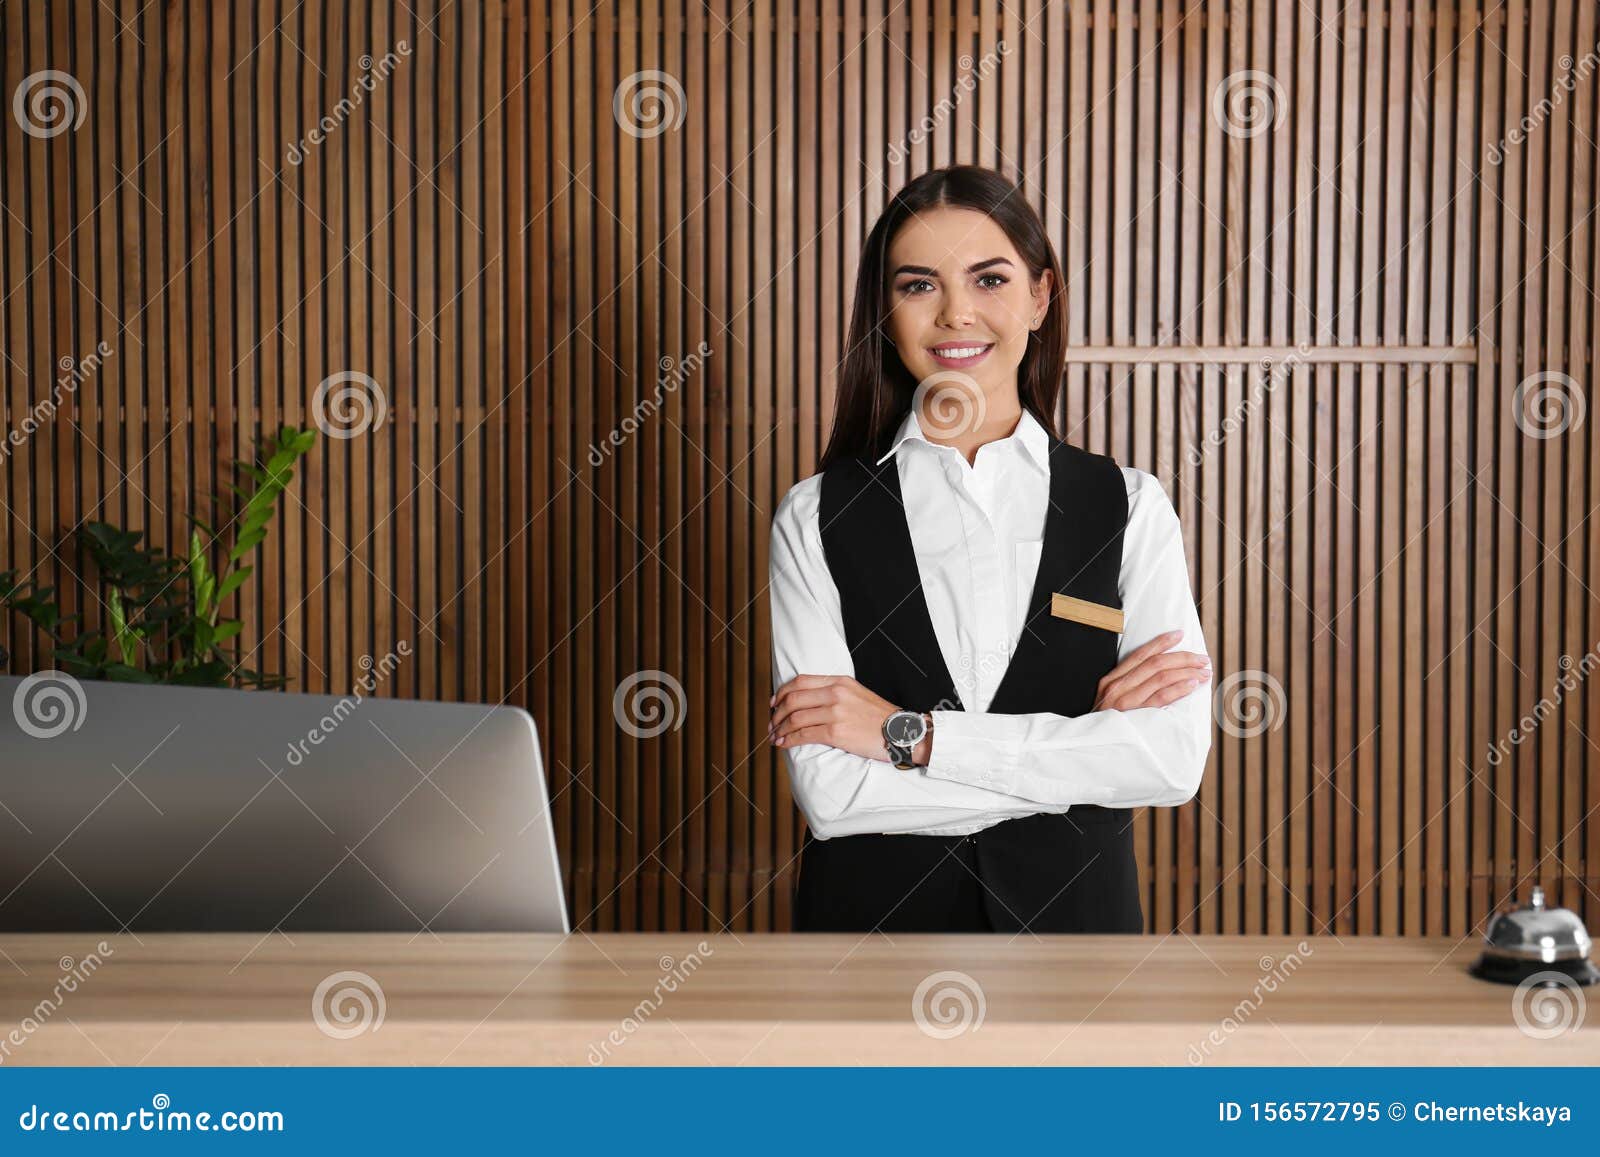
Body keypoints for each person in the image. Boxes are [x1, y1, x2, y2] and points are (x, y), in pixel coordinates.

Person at [767, 164, 1213, 934]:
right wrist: (1088, 754)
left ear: (1040, 296)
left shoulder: (1132, 507)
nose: (956, 313)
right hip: (868, 953)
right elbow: (833, 795)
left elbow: (1169, 762)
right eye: (919, 285)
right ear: (886, 313)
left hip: (1081, 953)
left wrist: (908, 737)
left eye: (989, 279)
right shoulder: (813, 517)